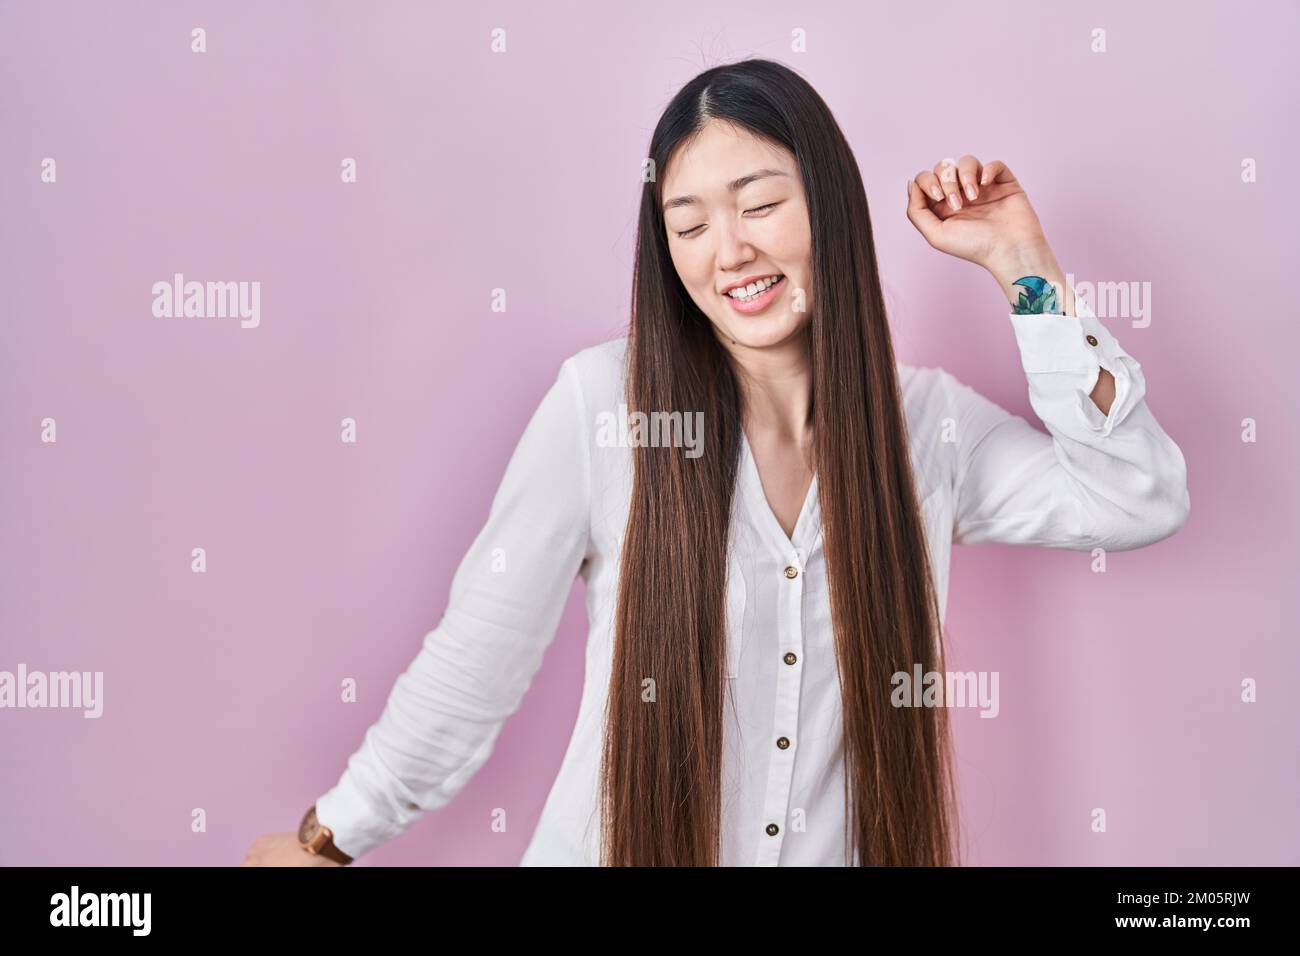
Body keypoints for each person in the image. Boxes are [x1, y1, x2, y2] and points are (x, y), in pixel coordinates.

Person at [242, 57, 1188, 868]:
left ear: (830, 205)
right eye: (688, 225)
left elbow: (1133, 497)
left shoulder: (925, 428)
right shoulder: (602, 408)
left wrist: (1022, 263)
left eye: (761, 205)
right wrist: (328, 840)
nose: (728, 251)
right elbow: (475, 663)